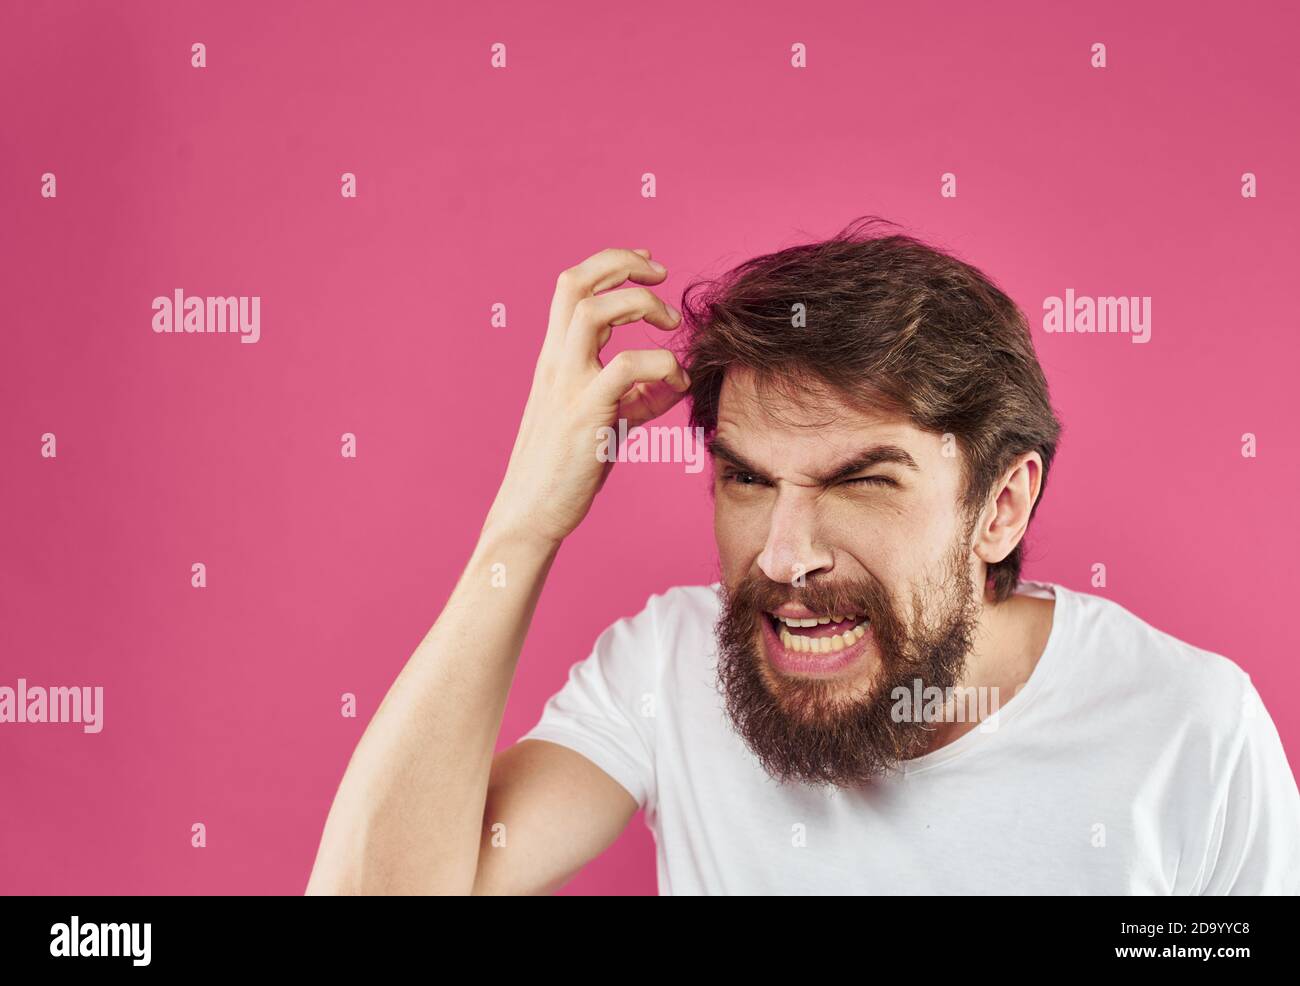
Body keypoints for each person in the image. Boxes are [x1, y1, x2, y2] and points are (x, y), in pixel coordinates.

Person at [305, 217, 1300, 895]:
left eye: (861, 480)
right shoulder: (667, 668)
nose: (783, 556)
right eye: (746, 479)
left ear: (999, 506)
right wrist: (522, 524)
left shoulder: (1190, 730)